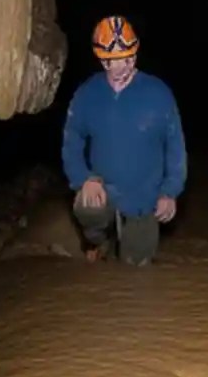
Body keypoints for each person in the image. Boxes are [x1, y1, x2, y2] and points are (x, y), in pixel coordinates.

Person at [61, 15, 188, 265]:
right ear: (100, 58)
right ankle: (97, 240)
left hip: (144, 198)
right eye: (111, 62)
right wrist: (83, 178)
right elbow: (72, 140)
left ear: (136, 53)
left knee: (136, 273)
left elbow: (175, 147)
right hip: (104, 190)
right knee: (87, 208)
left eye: (126, 59)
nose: (120, 68)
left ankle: (128, 246)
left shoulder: (158, 93)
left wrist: (169, 192)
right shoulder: (87, 93)